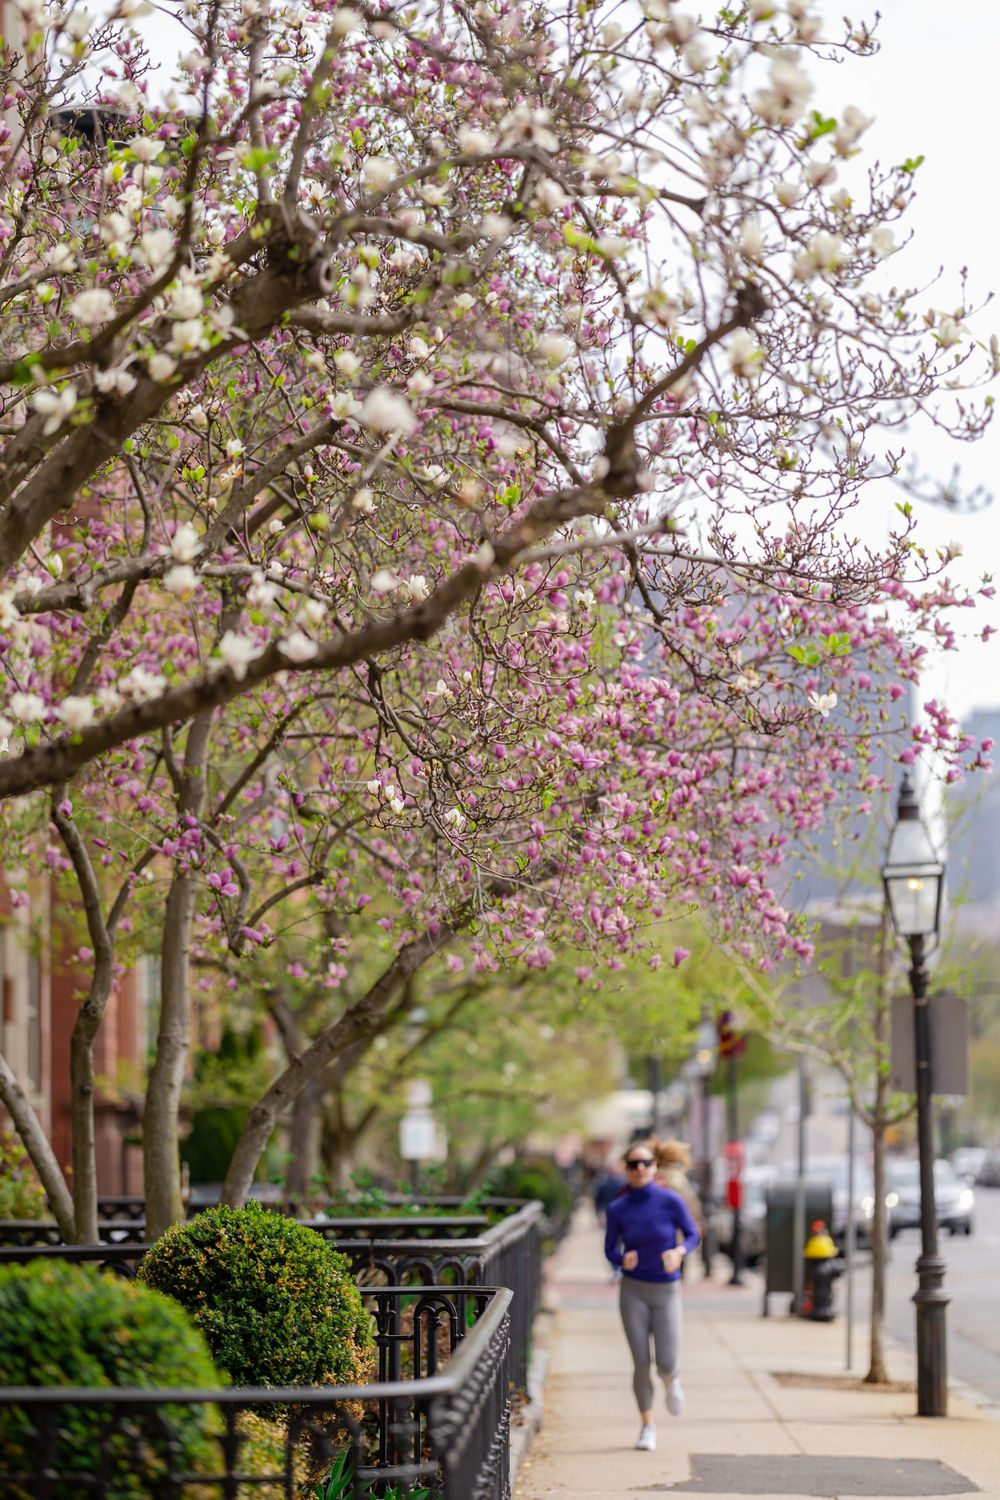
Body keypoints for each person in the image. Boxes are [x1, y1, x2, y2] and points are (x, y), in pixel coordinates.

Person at [604, 1140, 700, 1452]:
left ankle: (672, 1381)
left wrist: (679, 1251)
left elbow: (694, 1234)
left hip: (666, 1289)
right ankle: (647, 1426)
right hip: (633, 1290)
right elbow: (609, 1248)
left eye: (646, 1163)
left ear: (655, 1166)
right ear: (627, 1170)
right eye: (633, 1164)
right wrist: (621, 1260)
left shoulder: (670, 1201)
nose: (640, 1169)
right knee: (641, 1362)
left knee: (666, 1362)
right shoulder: (618, 1208)